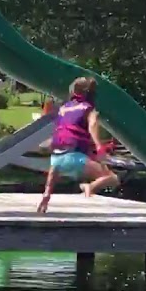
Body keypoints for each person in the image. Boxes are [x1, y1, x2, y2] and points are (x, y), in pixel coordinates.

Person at [37, 76, 120, 214]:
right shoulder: (89, 109)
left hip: (56, 158)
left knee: (56, 166)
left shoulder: (63, 108)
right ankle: (89, 187)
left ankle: (46, 195)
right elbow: (93, 124)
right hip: (75, 158)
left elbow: (60, 129)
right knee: (113, 178)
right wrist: (99, 146)